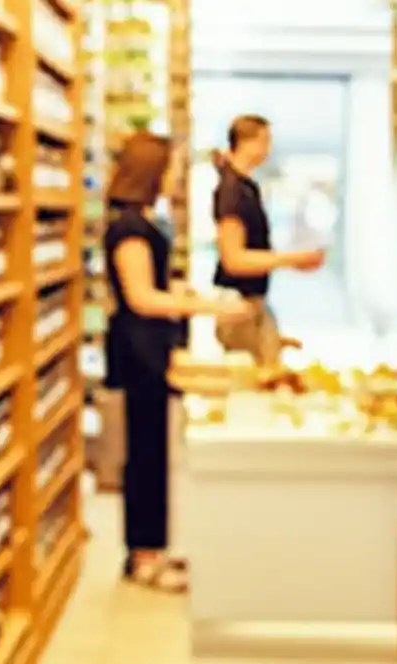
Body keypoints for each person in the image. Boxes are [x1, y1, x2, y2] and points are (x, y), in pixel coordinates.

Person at [104, 132, 250, 592]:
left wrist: (184, 295)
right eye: (172, 167)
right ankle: (144, 555)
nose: (177, 177)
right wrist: (206, 307)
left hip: (152, 345)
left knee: (156, 448)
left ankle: (156, 547)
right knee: (145, 452)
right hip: (140, 349)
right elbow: (141, 298)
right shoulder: (129, 227)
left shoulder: (145, 221)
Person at [212, 114, 325, 366]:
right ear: (246, 142)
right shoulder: (231, 191)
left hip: (252, 299)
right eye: (265, 141)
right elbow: (234, 259)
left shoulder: (246, 187)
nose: (268, 149)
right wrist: (293, 259)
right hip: (239, 301)